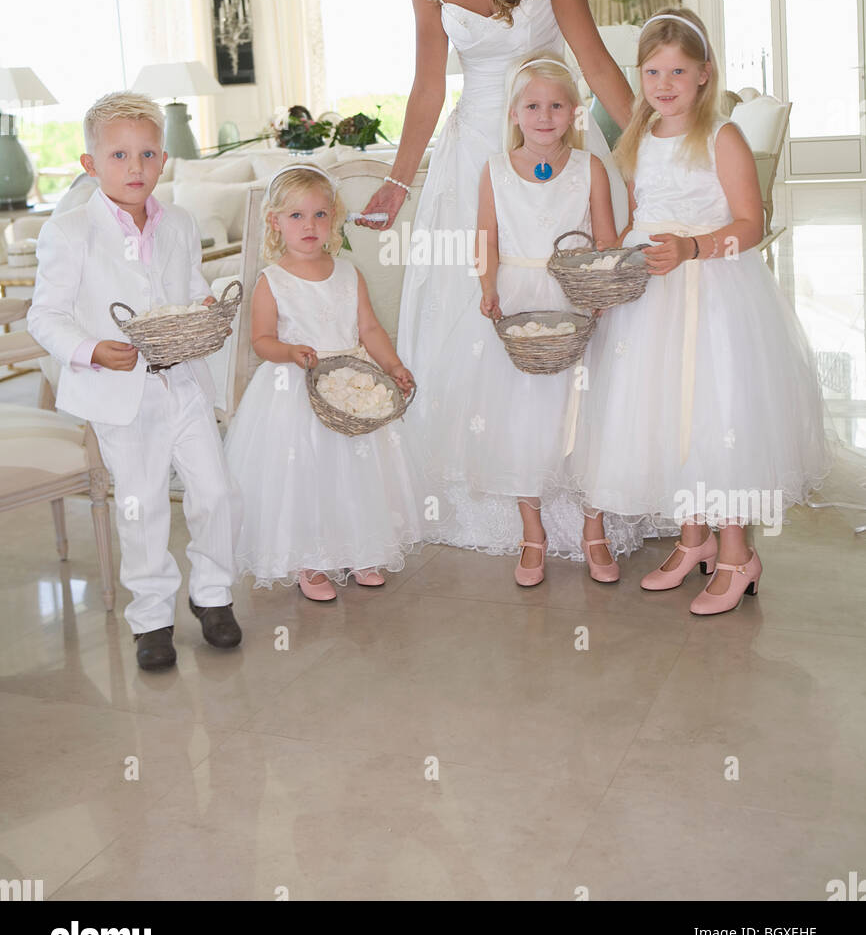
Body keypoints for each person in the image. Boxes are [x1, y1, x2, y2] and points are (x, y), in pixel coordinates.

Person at [357, 0, 633, 511]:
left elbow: (594, 64)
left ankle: (578, 484)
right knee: (478, 309)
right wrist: (398, 181)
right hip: (474, 153)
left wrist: (649, 146)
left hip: (555, 144)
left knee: (561, 297)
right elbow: (427, 87)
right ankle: (486, 486)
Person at [567, 8, 831, 614]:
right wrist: (620, 265)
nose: (664, 84)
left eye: (678, 71)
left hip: (712, 289)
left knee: (715, 413)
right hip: (653, 295)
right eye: (653, 71)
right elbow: (641, 215)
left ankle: (737, 553)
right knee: (663, 413)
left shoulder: (721, 137)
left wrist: (693, 248)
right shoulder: (636, 138)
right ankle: (694, 537)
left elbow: (750, 222)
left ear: (705, 75)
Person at [28, 92, 242, 669]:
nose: (135, 168)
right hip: (122, 394)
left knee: (215, 491)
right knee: (142, 504)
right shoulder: (71, 231)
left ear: (164, 160)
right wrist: (91, 349)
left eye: (147, 154)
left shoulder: (179, 223)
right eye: (119, 155)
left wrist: (204, 310)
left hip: (184, 382)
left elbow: (189, 286)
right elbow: (44, 316)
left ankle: (212, 594)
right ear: (89, 164)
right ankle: (151, 616)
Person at [425, 56, 618, 582]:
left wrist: (599, 286)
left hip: (573, 297)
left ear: (575, 114)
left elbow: (605, 239)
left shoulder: (589, 170)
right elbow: (485, 238)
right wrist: (488, 288)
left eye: (557, 106)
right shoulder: (494, 169)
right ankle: (531, 533)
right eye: (533, 106)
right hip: (516, 302)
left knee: (584, 412)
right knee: (520, 417)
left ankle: (593, 528)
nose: (545, 115)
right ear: (514, 112)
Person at [224, 163, 423, 600]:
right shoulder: (272, 281)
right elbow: (261, 340)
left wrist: (392, 365)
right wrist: (290, 353)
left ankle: (361, 548)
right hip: (296, 387)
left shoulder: (349, 272)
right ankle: (309, 559)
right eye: (296, 216)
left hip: (350, 385)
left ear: (333, 218)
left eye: (319, 214)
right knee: (307, 476)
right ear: (276, 222)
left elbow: (369, 329)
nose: (309, 225)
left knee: (357, 473)